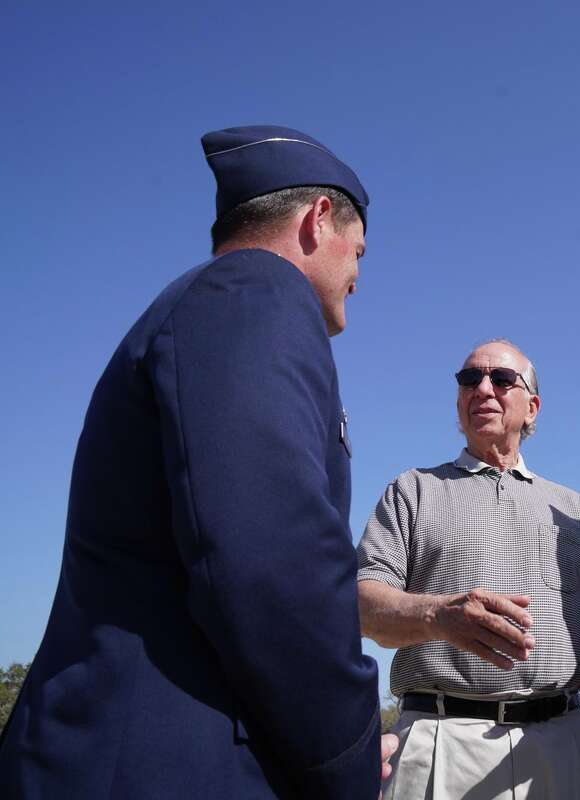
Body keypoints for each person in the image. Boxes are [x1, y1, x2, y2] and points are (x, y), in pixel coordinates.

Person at [0, 125, 396, 798]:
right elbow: (274, 559)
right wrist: (348, 756)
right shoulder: (255, 293)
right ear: (317, 220)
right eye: (358, 252)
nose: (359, 275)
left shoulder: (209, 306)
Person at [357, 339, 580, 800]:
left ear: (532, 408)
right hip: (444, 743)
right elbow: (364, 607)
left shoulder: (572, 507)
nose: (483, 389)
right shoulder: (412, 491)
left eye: (501, 379)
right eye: (470, 379)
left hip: (563, 744)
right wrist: (439, 616)